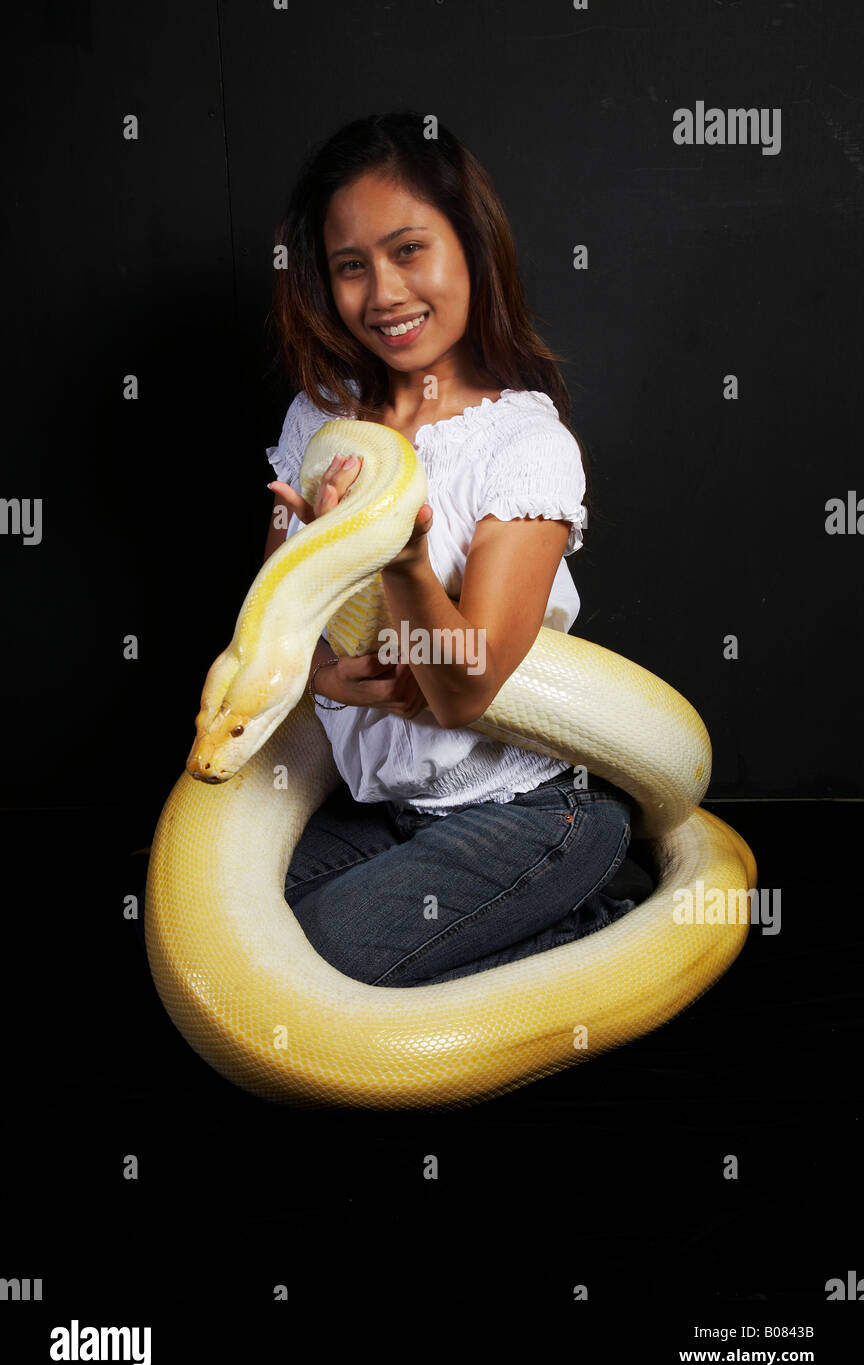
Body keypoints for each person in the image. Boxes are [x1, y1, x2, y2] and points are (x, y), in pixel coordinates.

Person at [263, 111, 652, 988]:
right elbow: (280, 629)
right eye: (351, 266)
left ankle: (591, 909)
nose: (385, 292)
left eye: (410, 250)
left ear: (471, 248)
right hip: (385, 806)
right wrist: (323, 676)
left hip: (525, 811)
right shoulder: (319, 417)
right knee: (229, 933)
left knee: (324, 959)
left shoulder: (524, 442)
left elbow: (466, 686)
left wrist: (400, 558)